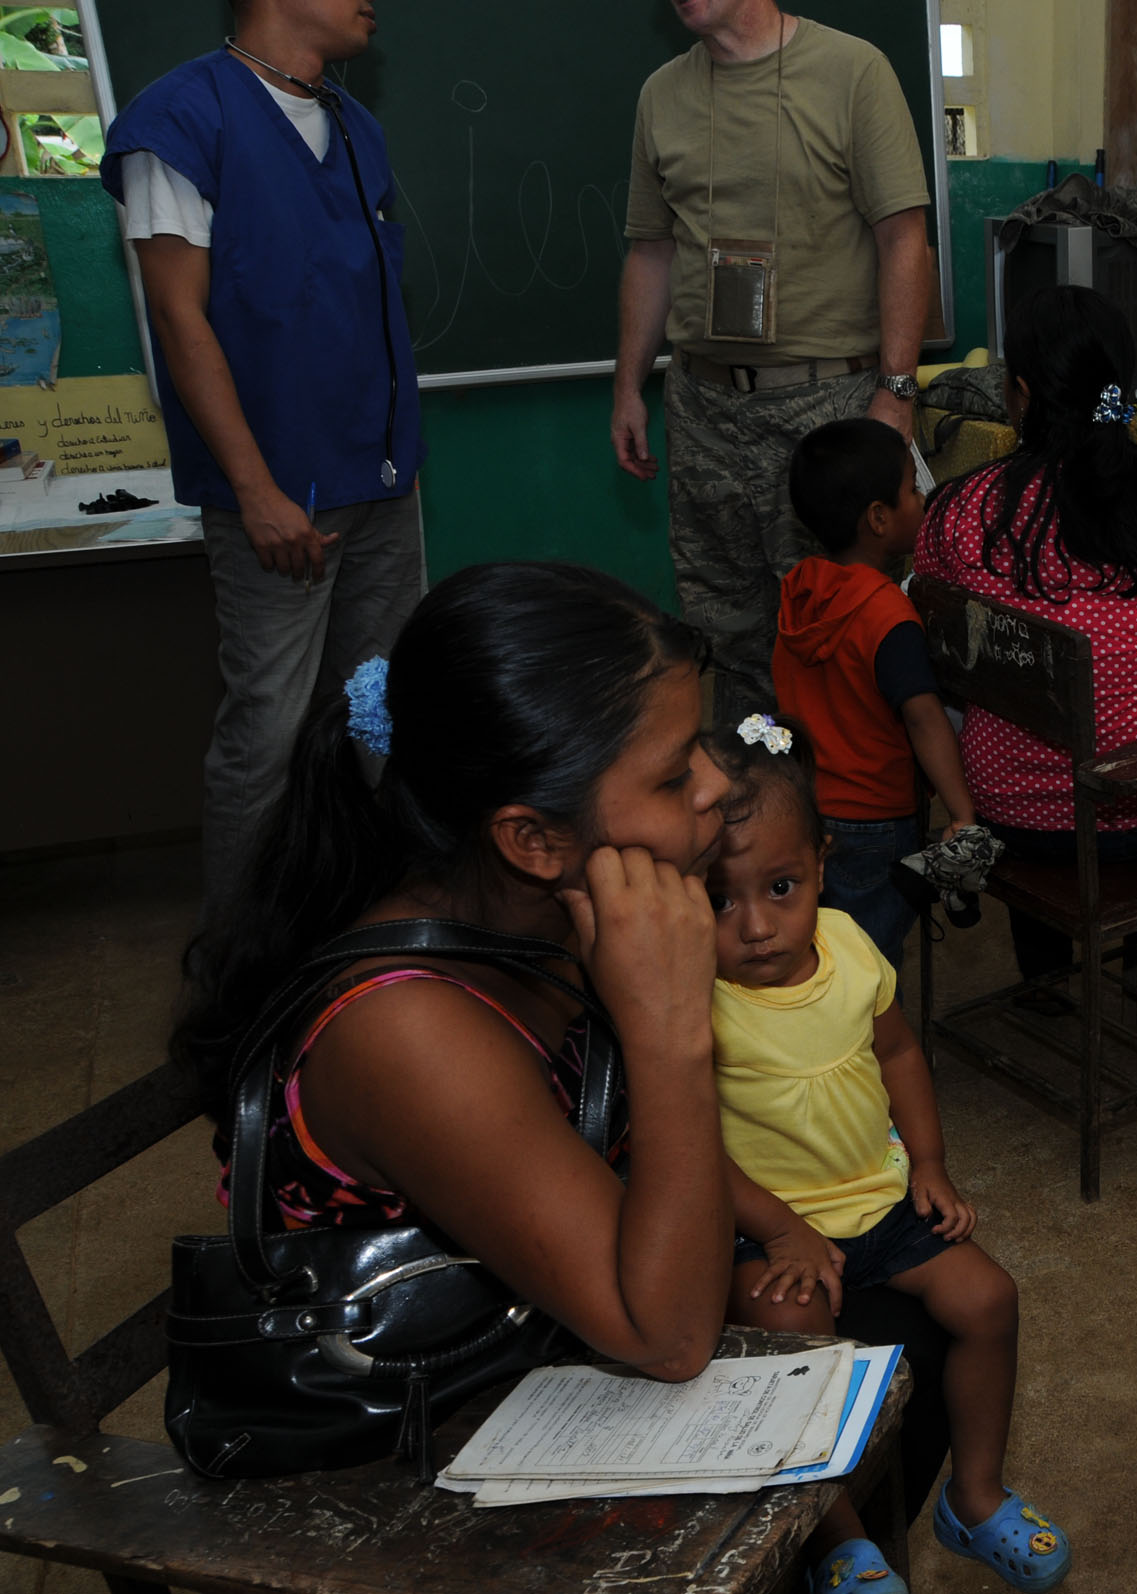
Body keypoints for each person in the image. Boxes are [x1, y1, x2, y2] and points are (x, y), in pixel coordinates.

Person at [172, 563, 735, 1396]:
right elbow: (669, 1339)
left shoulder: (539, 910)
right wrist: (673, 1033)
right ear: (532, 840)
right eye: (673, 773)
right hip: (410, 1430)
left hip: (550, 1328)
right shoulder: (405, 1030)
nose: (719, 783)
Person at [703, 720, 1067, 1594]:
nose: (755, 926)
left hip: (880, 1205)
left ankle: (973, 1499)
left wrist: (931, 1164)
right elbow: (690, 1153)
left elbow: (898, 1053)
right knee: (794, 1339)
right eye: (720, 899)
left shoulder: (851, 946)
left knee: (988, 1298)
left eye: (781, 886)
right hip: (764, 1231)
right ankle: (838, 1539)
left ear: (823, 865)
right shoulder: (694, 1001)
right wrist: (781, 1229)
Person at [102, 0, 427, 930]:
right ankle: (240, 952)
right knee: (271, 729)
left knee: (376, 709)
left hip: (381, 479)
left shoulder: (355, 124)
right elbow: (179, 317)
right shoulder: (181, 120)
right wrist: (254, 489)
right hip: (280, 500)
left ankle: (376, 912)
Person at [911, 286, 1137, 1031]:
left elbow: (945, 645)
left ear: (1020, 393)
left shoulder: (959, 509)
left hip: (1005, 817)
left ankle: (1046, 979)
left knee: (1022, 736)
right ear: (1126, 385)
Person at [613, 0, 934, 700]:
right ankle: (756, 798)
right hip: (703, 407)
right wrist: (627, 386)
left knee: (843, 639)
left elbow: (903, 238)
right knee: (726, 636)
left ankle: (852, 810)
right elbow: (651, 250)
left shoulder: (854, 72)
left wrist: (897, 390)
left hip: (827, 407)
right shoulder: (662, 93)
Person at [774, 418, 977, 968]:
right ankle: (869, 1050)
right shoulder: (887, 614)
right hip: (876, 821)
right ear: (879, 518)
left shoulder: (799, 590)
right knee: (869, 965)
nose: (921, 497)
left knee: (823, 948)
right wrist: (961, 813)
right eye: (913, 487)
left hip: (811, 805)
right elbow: (923, 719)